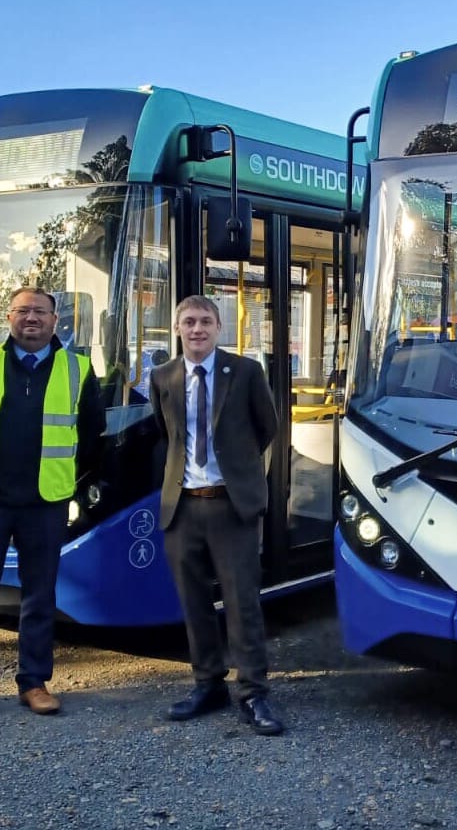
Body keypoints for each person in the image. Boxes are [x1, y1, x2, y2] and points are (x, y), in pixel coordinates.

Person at [0, 287, 106, 724]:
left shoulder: (78, 369)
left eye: (40, 312)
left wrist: (64, 477)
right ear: (8, 317)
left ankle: (34, 683)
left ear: (55, 321)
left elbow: (91, 433)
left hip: (44, 503)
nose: (32, 318)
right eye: (23, 311)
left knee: (39, 596)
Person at [149, 295, 283, 735]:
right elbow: (165, 433)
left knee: (243, 603)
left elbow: (267, 427)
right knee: (194, 602)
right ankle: (208, 684)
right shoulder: (163, 377)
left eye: (205, 321)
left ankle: (253, 693)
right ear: (177, 328)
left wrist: (238, 469)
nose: (197, 329)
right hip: (182, 507)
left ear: (219, 327)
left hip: (232, 505)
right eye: (189, 321)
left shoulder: (245, 372)